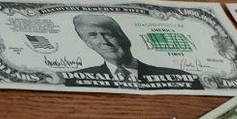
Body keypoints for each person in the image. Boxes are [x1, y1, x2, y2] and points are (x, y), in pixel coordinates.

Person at [64, 14, 202, 90]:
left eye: (108, 34)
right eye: (93, 36)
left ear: (123, 37)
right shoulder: (72, 80)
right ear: (88, 44)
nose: (104, 41)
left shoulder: (181, 77)